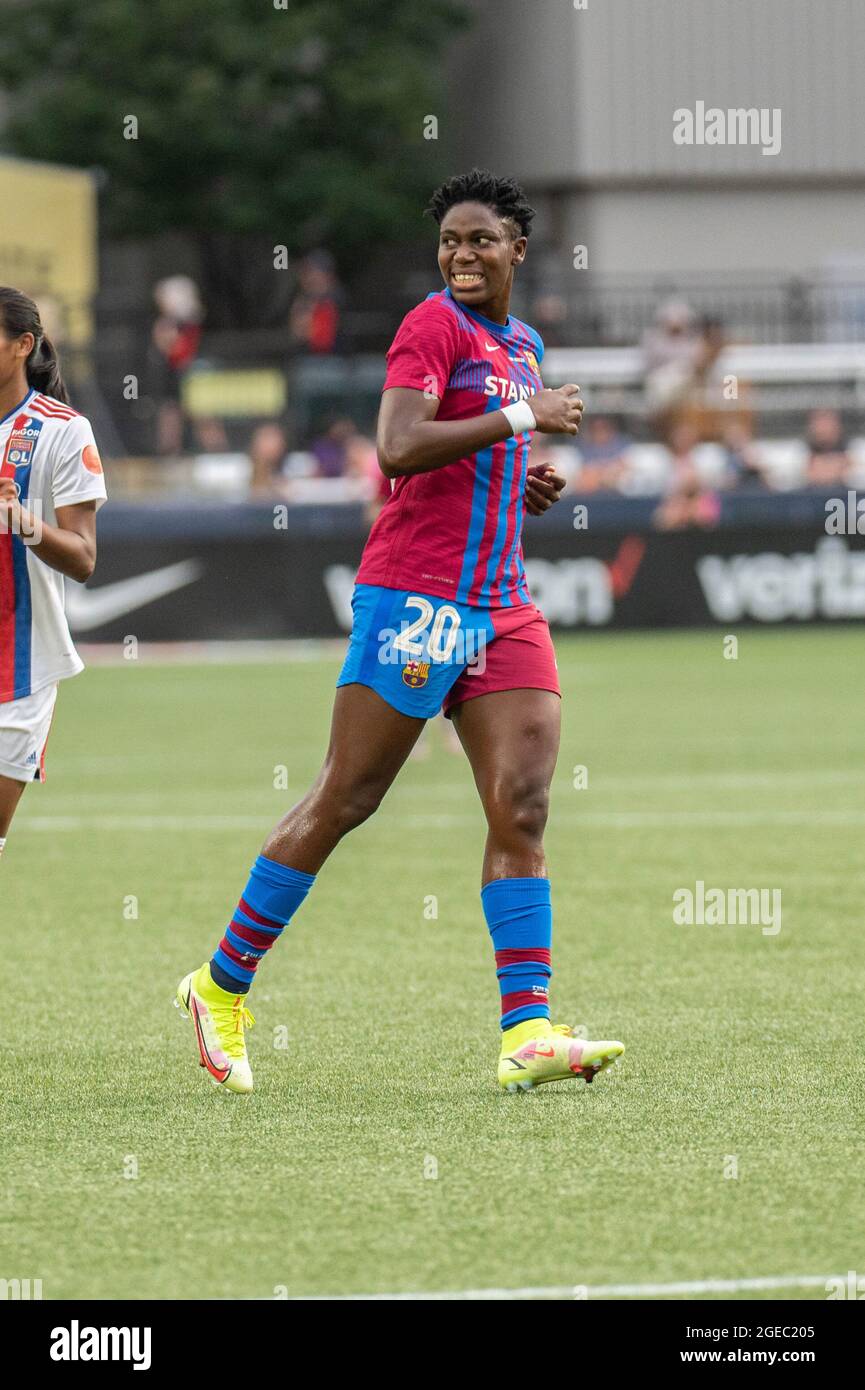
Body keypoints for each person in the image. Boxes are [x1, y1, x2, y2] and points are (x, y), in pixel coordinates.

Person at [175, 170, 624, 1095]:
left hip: (501, 605)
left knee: (523, 804)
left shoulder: (522, 342)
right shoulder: (433, 327)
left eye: (480, 241)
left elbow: (465, 448)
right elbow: (398, 445)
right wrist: (518, 420)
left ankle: (527, 1028)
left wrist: (517, 474)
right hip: (417, 599)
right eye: (450, 241)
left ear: (517, 252)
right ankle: (218, 986)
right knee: (348, 797)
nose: (462, 255)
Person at [0, 287, 107, 861]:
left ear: (22, 345)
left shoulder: (63, 430)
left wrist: (22, 521)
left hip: (18, 670)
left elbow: (84, 557)